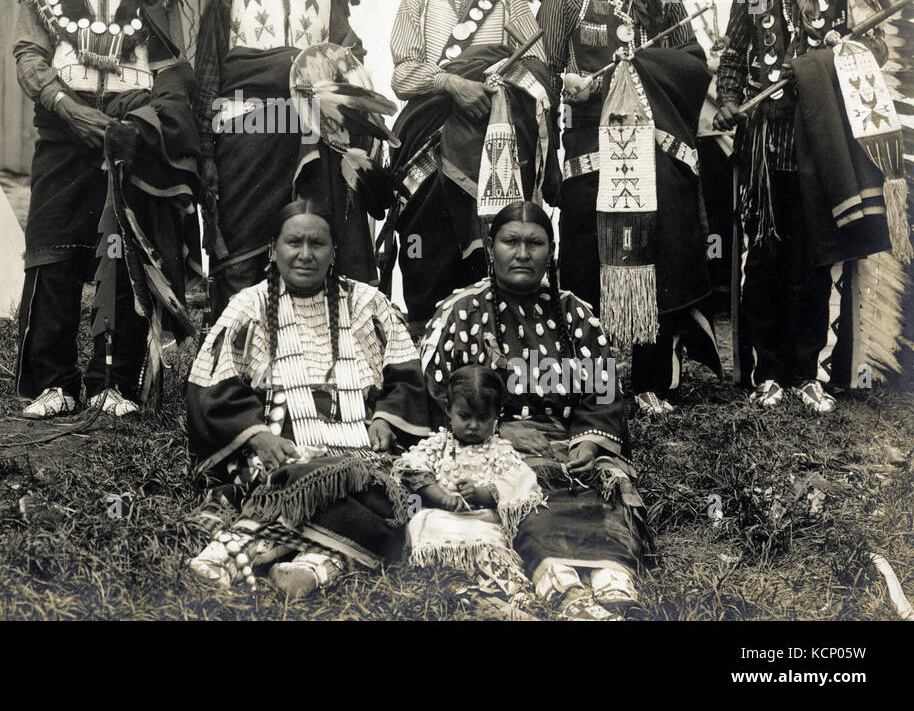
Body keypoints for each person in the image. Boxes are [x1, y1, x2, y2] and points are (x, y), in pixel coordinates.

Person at [13, 0, 221, 419]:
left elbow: (176, 72)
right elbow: (28, 56)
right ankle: (52, 380)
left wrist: (147, 121)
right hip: (63, 134)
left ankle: (117, 381)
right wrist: (68, 108)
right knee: (53, 252)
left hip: (132, 140)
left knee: (125, 253)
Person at [713, 0, 910, 412]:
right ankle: (765, 371)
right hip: (764, 140)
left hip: (824, 142)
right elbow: (732, 53)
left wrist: (845, 54)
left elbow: (876, 56)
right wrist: (727, 100)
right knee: (765, 252)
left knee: (816, 249)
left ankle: (809, 371)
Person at [538, 0, 728, 415]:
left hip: (655, 151)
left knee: (659, 251)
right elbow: (540, 71)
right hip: (590, 149)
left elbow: (694, 66)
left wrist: (646, 68)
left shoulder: (668, 0)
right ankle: (589, 377)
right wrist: (565, 83)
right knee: (587, 257)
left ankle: (651, 376)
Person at [186, 198, 432, 597]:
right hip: (281, 456)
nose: (304, 255)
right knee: (300, 484)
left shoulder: (369, 304)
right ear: (273, 249)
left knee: (395, 496)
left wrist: (385, 417)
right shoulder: (249, 306)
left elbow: (405, 373)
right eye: (293, 243)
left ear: (334, 251)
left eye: (317, 244)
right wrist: (257, 436)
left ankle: (252, 553)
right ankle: (310, 562)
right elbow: (213, 382)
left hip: (362, 457)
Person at [420, 200, 649, 621]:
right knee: (526, 492)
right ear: (491, 248)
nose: (522, 253)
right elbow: (435, 393)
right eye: (511, 241)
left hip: (569, 446)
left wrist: (587, 442)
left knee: (604, 489)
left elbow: (603, 394)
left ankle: (613, 582)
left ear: (551, 251)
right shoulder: (462, 313)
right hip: (492, 447)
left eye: (534, 243)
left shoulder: (576, 315)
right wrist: (500, 433)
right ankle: (562, 584)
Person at [196, 0, 381, 318]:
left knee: (313, 233)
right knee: (243, 243)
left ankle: (317, 340)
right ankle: (234, 353)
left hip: (312, 131)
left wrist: (346, 101)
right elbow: (209, 74)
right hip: (247, 132)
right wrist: (206, 153)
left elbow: (349, 57)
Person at [382, 0, 568, 332]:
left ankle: (491, 343)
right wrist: (452, 83)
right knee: (425, 243)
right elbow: (402, 77)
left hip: (495, 142)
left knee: (490, 243)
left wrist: (497, 84)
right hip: (426, 142)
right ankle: (426, 343)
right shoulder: (416, 0)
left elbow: (538, 67)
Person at [392, 364, 542, 599]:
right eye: (464, 416)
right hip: (442, 514)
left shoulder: (498, 449)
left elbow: (521, 480)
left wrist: (483, 492)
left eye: (483, 418)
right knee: (423, 520)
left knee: (490, 538)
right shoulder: (439, 444)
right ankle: (452, 571)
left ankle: (498, 579)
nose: (473, 425)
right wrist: (442, 497)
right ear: (448, 410)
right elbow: (412, 468)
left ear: (496, 415)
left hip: (481, 520)